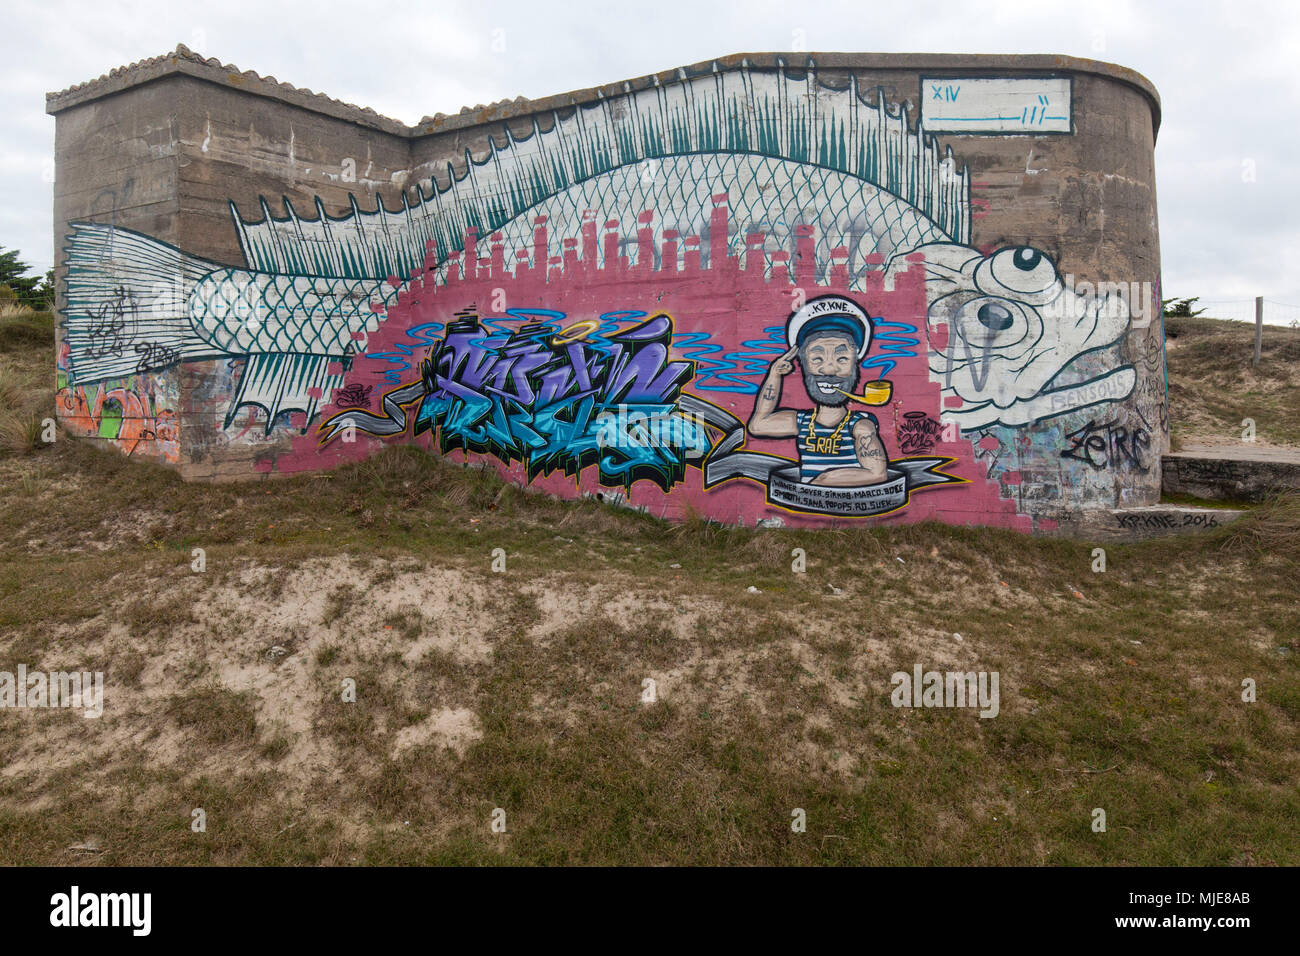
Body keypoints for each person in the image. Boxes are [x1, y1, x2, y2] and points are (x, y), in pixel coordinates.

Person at [747, 295, 889, 486]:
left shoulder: (859, 425)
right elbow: (758, 425)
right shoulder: (804, 422)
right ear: (804, 365)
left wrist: (824, 479)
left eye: (842, 359)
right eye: (817, 359)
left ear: (855, 365)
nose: (829, 370)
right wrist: (774, 374)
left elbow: (876, 473)